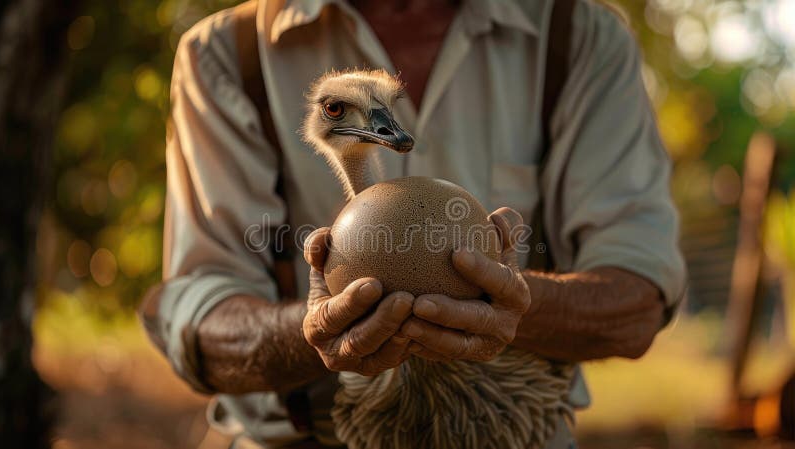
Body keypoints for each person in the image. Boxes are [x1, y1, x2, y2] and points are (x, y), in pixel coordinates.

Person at [141, 0, 686, 448]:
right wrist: (323, 329)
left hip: (510, 433)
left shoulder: (581, 38)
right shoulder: (226, 55)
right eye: (340, 112)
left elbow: (637, 300)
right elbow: (201, 319)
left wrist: (508, 302)